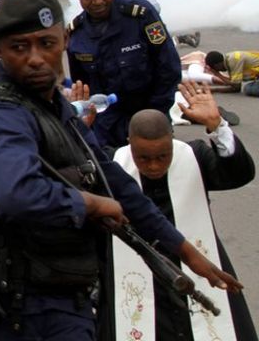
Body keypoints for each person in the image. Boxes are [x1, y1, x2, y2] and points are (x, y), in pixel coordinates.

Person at [0, 0, 241, 340]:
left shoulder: (52, 105)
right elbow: (18, 194)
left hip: (64, 289)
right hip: (26, 304)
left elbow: (114, 181)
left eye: (46, 44)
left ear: (63, 40)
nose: (35, 58)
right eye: (19, 47)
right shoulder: (1, 114)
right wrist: (90, 203)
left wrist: (183, 250)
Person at [100, 87, 256, 341]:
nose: (153, 166)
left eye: (163, 156)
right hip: (136, 274)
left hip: (197, 264)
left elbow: (239, 173)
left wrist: (217, 126)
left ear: (172, 140)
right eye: (143, 158)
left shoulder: (194, 156)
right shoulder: (113, 163)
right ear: (129, 144)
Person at [67, 0, 181, 148]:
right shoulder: (76, 34)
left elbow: (169, 68)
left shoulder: (141, 15)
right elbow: (83, 87)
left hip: (150, 114)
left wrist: (156, 115)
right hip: (106, 127)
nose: (97, 1)